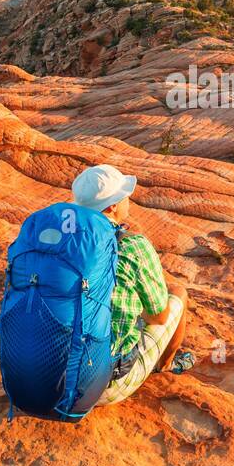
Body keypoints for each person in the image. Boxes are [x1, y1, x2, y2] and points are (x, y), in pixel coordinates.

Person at [70, 164, 193, 405]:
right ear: (112, 206)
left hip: (43, 376)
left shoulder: (57, 238)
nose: (129, 201)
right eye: (125, 196)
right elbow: (159, 317)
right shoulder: (131, 245)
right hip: (99, 386)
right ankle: (166, 365)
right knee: (178, 293)